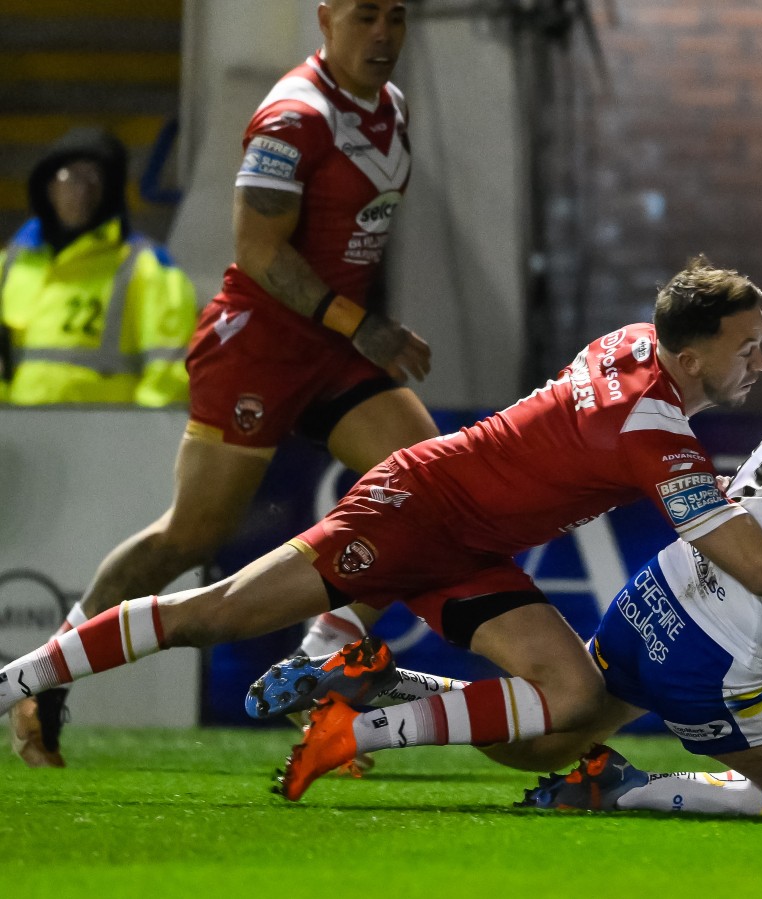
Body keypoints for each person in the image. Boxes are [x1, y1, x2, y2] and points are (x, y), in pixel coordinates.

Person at [0, 256, 762, 802]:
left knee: (570, 702)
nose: (759, 359)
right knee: (214, 611)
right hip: (412, 512)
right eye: (745, 344)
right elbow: (754, 563)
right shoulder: (656, 433)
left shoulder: (636, 343)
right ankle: (16, 680)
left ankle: (364, 686)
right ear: (692, 350)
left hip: (467, 541)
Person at [257, 305, 762, 812]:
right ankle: (635, 789)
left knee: (538, 740)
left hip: (654, 601)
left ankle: (380, 685)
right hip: (713, 665)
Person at [6, 0, 439, 768]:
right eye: (365, 16)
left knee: (431, 489)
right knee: (192, 535)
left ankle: (316, 667)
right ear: (326, 18)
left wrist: (357, 328)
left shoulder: (392, 107)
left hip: (331, 348)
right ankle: (49, 677)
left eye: (396, 18)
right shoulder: (292, 118)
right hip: (259, 347)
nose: (383, 35)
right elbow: (258, 249)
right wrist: (363, 324)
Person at [0, 127, 196, 405]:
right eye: (69, 177)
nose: (81, 191)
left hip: (105, 440)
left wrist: (140, 436)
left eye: (94, 178)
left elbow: (171, 372)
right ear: (49, 186)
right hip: (20, 442)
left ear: (111, 191)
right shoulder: (12, 264)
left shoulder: (147, 267)